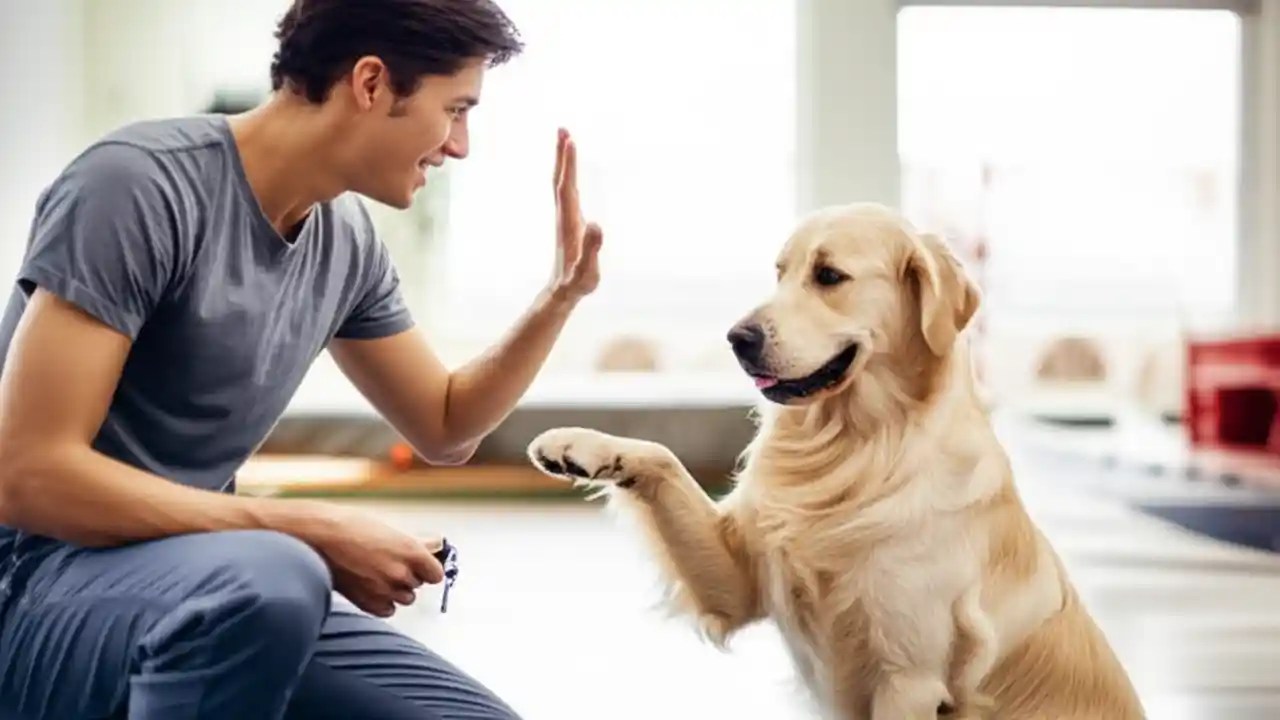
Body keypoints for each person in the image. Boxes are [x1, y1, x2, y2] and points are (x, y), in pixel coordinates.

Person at [0, 0, 600, 718]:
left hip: (200, 587)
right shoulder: (136, 187)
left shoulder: (345, 240)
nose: (461, 145)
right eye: (456, 109)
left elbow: (445, 426)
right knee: (276, 574)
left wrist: (559, 298)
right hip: (35, 587)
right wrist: (309, 528)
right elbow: (26, 473)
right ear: (372, 83)